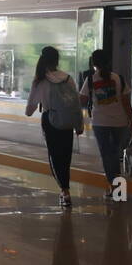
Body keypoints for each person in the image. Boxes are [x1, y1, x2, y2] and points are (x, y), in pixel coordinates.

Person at [26, 45, 86, 207]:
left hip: (50, 120)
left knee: (55, 156)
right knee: (66, 156)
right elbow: (76, 105)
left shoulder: (40, 81)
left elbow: (29, 111)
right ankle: (65, 189)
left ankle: (64, 191)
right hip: (67, 120)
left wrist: (37, 103)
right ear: (57, 61)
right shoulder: (68, 78)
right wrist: (79, 125)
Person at [78, 48, 132, 200]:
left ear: (93, 63)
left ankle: (116, 189)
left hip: (101, 123)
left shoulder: (91, 79)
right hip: (120, 123)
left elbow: (82, 101)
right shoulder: (119, 78)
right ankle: (119, 190)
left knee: (107, 156)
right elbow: (126, 104)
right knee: (117, 156)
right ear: (108, 61)